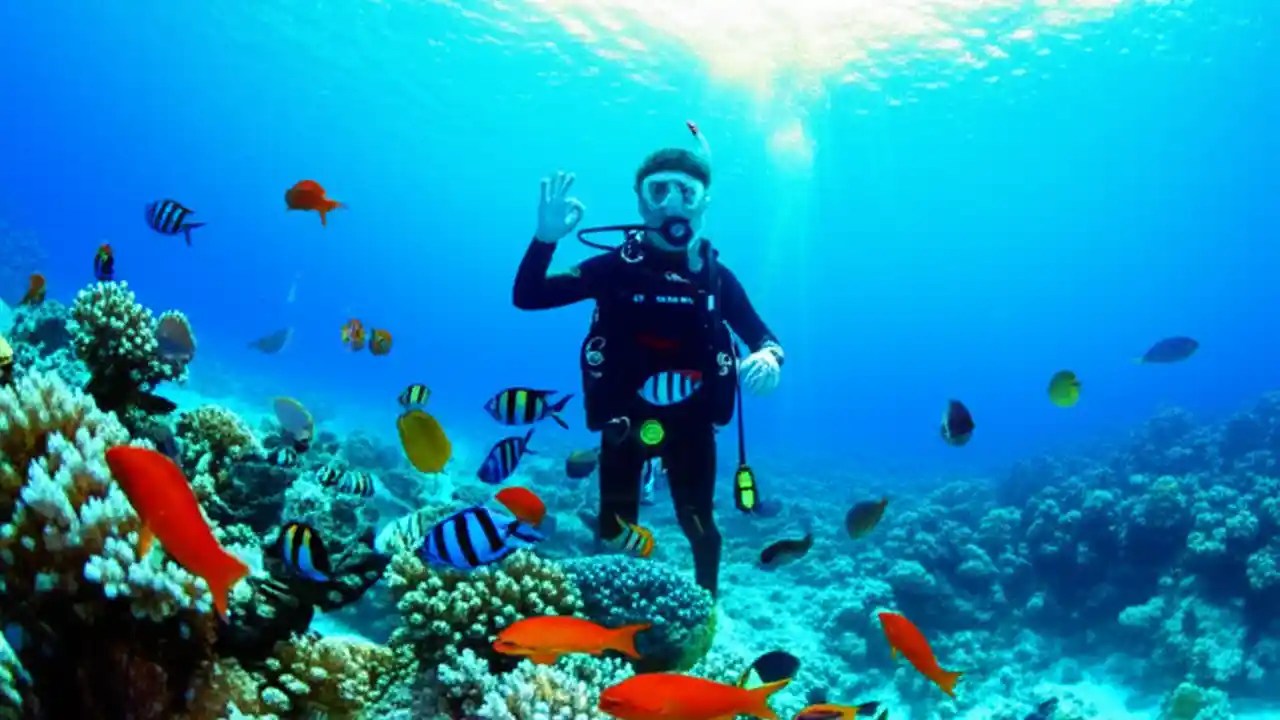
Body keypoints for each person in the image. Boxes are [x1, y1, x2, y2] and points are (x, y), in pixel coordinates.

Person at [512, 147, 784, 597]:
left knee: (699, 523)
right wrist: (544, 239)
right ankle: (611, 626)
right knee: (616, 527)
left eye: (686, 191)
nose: (673, 203)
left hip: (693, 425)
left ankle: (705, 615)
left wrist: (770, 360)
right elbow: (529, 295)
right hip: (624, 421)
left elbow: (764, 338)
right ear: (641, 202)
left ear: (704, 202)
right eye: (659, 190)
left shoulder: (718, 278)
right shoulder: (614, 268)